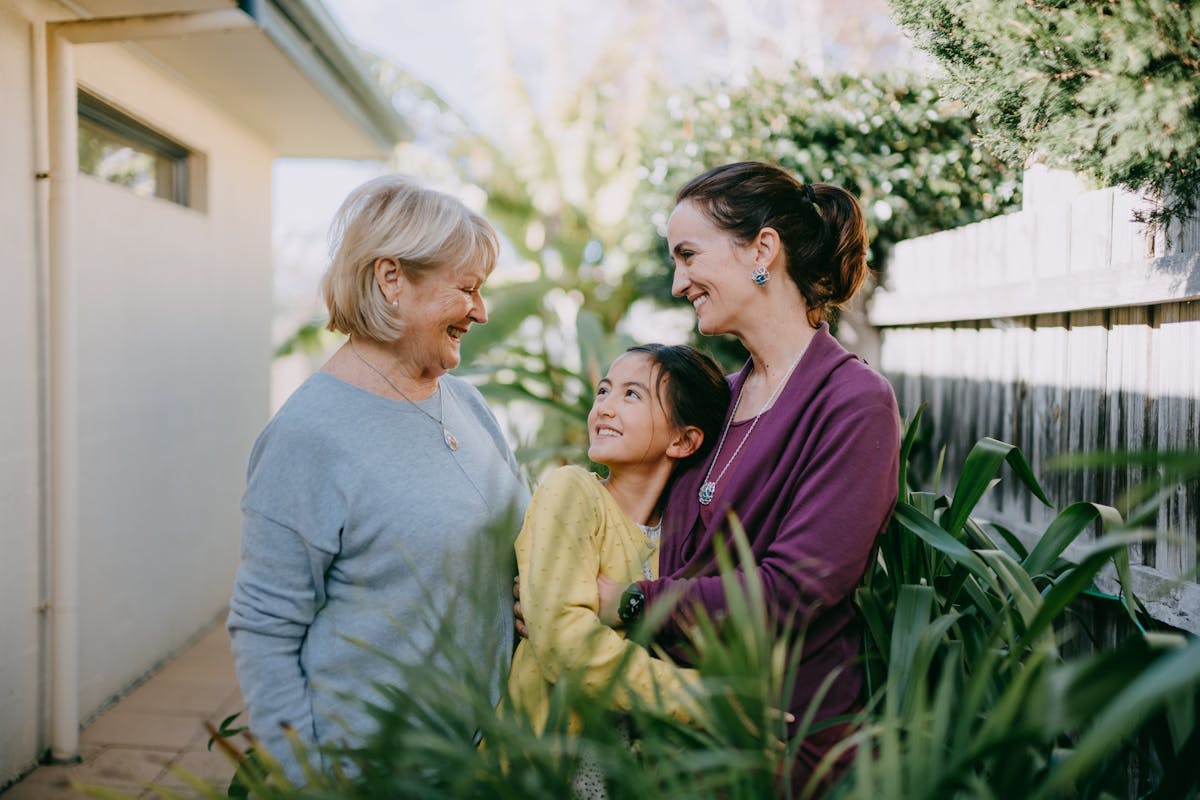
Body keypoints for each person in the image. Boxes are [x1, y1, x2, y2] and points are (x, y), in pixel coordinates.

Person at [596, 161, 901, 793]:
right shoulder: (715, 401)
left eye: (688, 255)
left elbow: (793, 590)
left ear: (763, 248)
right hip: (682, 738)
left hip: (781, 746)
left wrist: (626, 603)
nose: (679, 282)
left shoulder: (852, 402)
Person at [227, 175, 529, 785]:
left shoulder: (466, 404)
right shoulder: (308, 435)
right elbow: (264, 628)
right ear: (392, 279)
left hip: (484, 760)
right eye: (467, 288)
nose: (481, 310)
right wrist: (303, 782)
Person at [508, 343, 730, 797]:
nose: (604, 407)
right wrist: (703, 699)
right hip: (553, 770)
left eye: (631, 395)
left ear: (683, 440)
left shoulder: (682, 537)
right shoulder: (572, 491)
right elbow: (565, 642)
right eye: (604, 391)